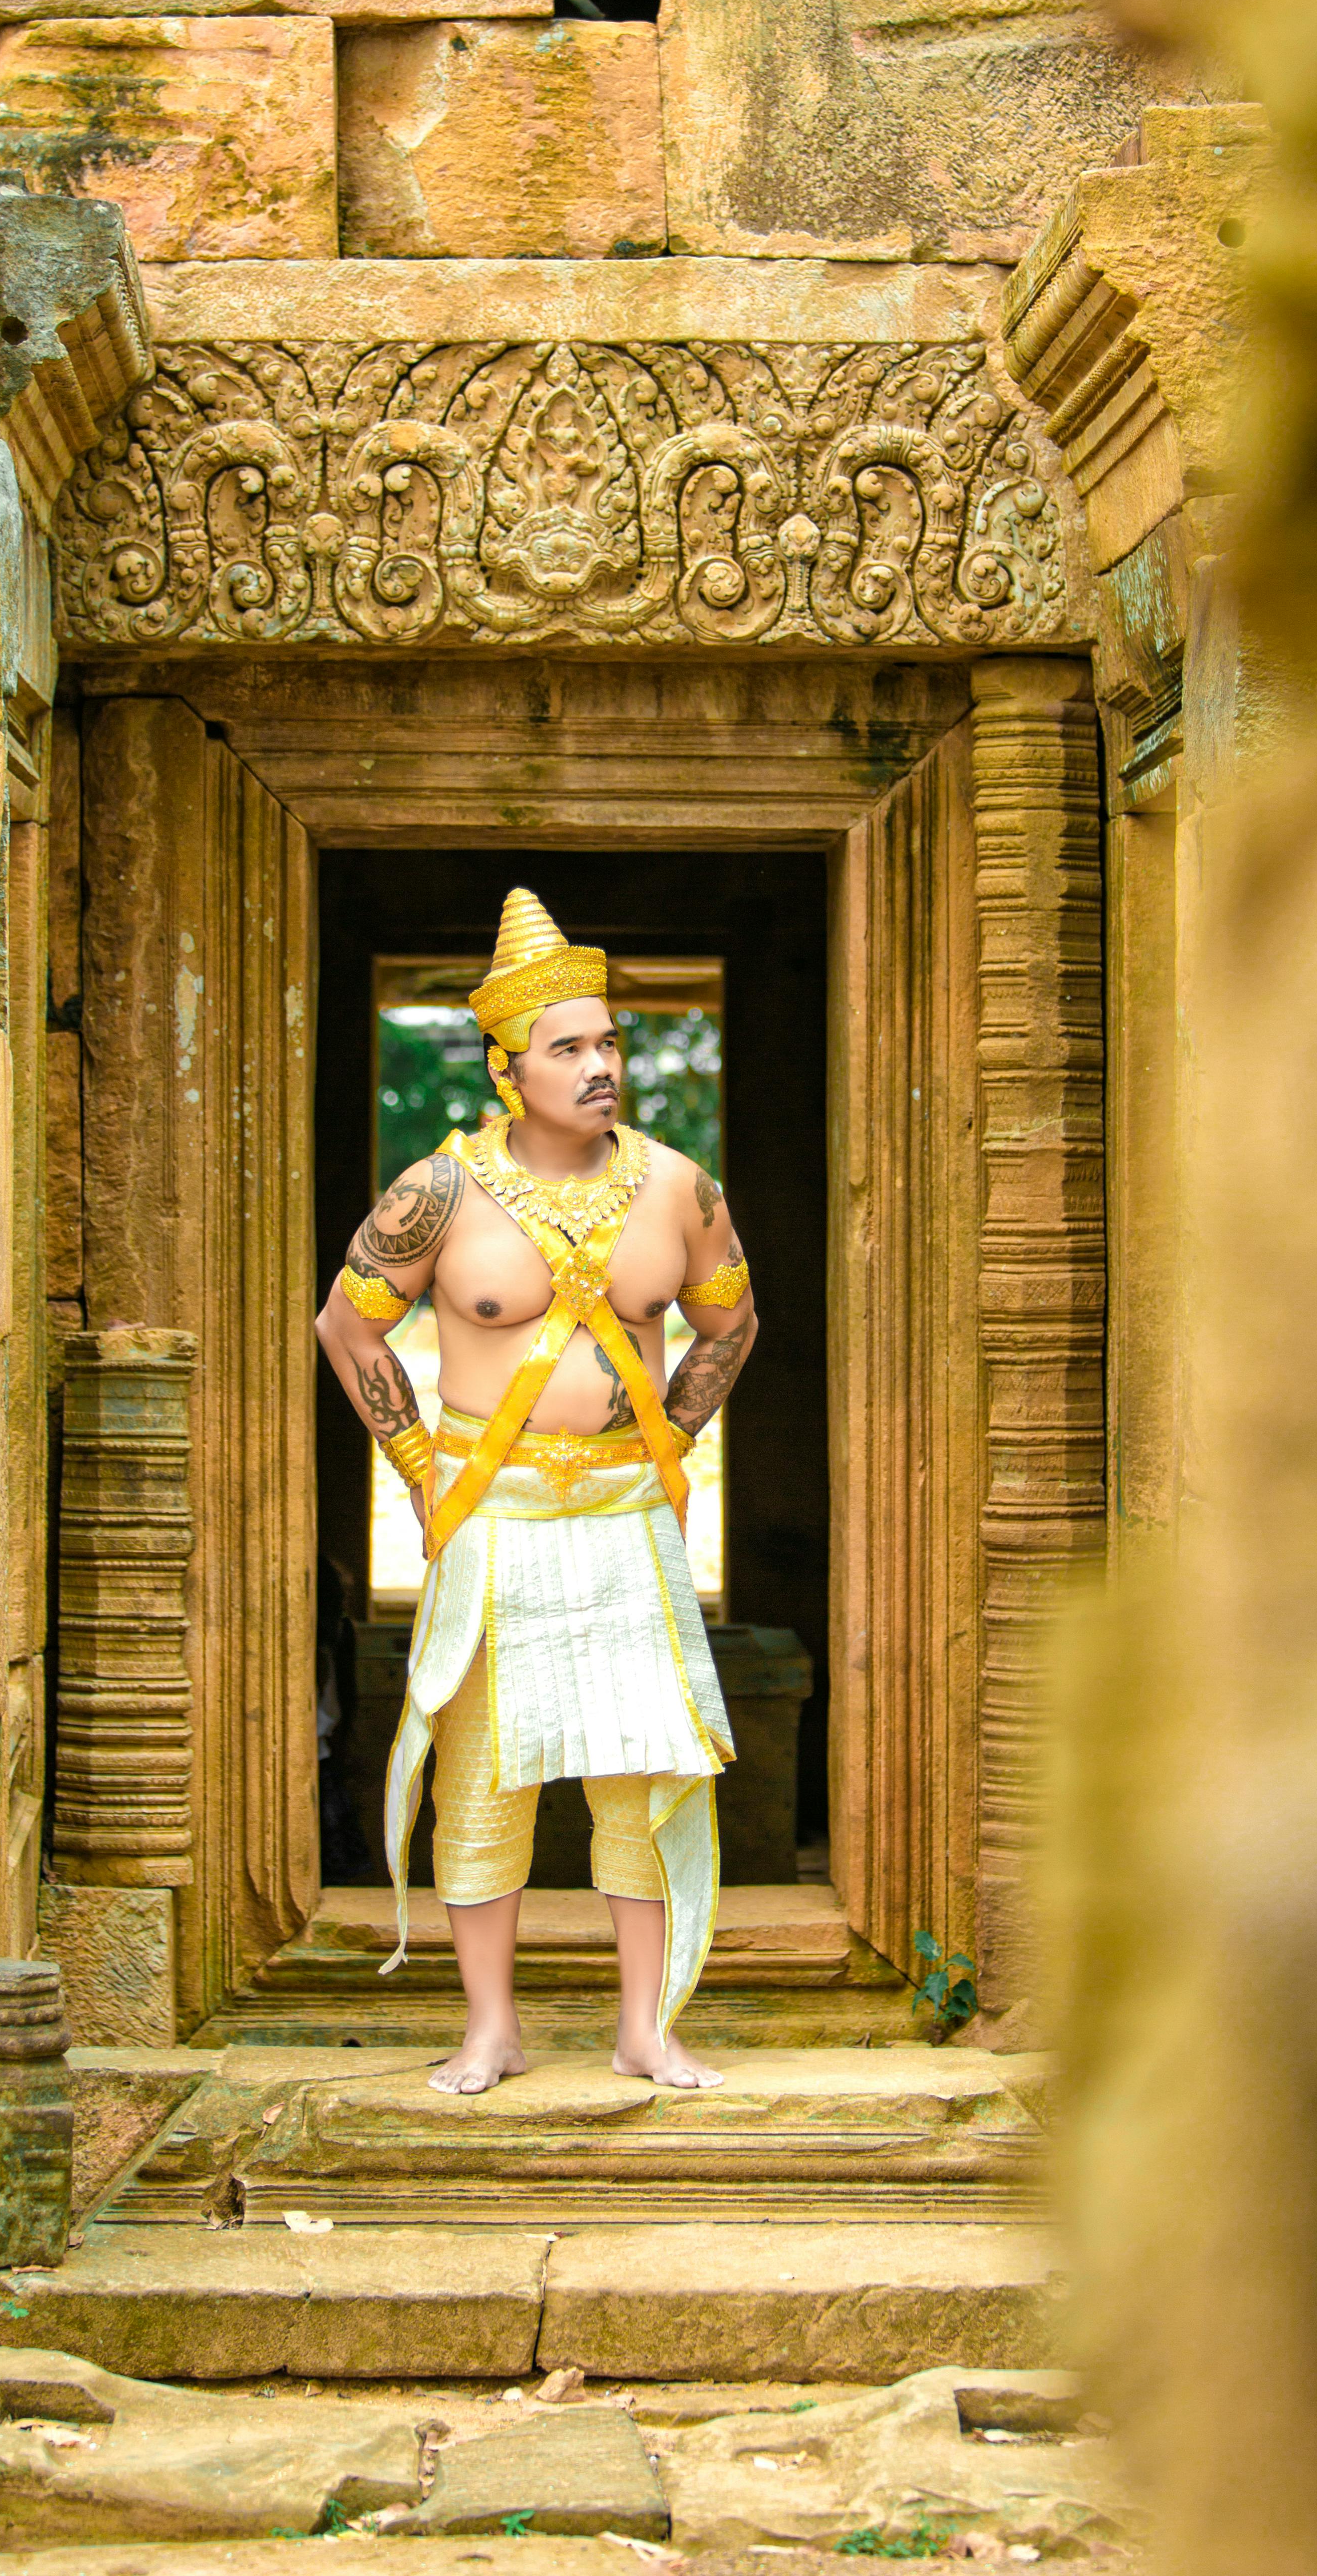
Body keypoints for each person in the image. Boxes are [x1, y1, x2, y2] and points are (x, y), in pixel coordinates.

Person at [315, 889, 758, 2095]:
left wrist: (669, 1443)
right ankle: (489, 2030)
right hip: (493, 1516)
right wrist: (417, 1474)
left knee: (644, 1768)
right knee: (485, 1776)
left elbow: (732, 1323)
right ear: (509, 1070)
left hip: (625, 1517)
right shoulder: (438, 1194)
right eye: (569, 1048)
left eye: (609, 1042)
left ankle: (645, 2029)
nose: (601, 1065)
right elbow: (348, 1333)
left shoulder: (678, 1188)